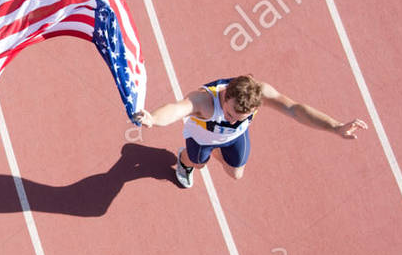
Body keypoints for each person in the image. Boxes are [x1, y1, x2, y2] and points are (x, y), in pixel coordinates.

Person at [135, 75, 367, 187]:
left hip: (233, 140)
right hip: (201, 137)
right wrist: (153, 118)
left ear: (255, 107)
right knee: (198, 163)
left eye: (240, 118)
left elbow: (296, 110)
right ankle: (184, 161)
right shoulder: (205, 101)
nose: (232, 120)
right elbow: (177, 109)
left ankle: (216, 151)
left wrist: (335, 127)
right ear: (226, 96)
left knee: (236, 174)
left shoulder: (260, 94)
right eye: (229, 114)